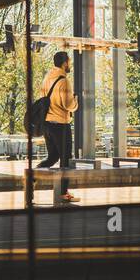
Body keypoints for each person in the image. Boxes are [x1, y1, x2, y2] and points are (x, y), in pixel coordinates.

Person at [38, 50, 80, 204]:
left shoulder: (47, 78)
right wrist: (75, 100)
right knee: (66, 159)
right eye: (69, 62)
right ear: (64, 63)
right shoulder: (64, 80)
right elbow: (68, 104)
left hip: (47, 124)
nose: (70, 65)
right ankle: (63, 193)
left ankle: (32, 177)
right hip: (61, 125)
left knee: (52, 157)